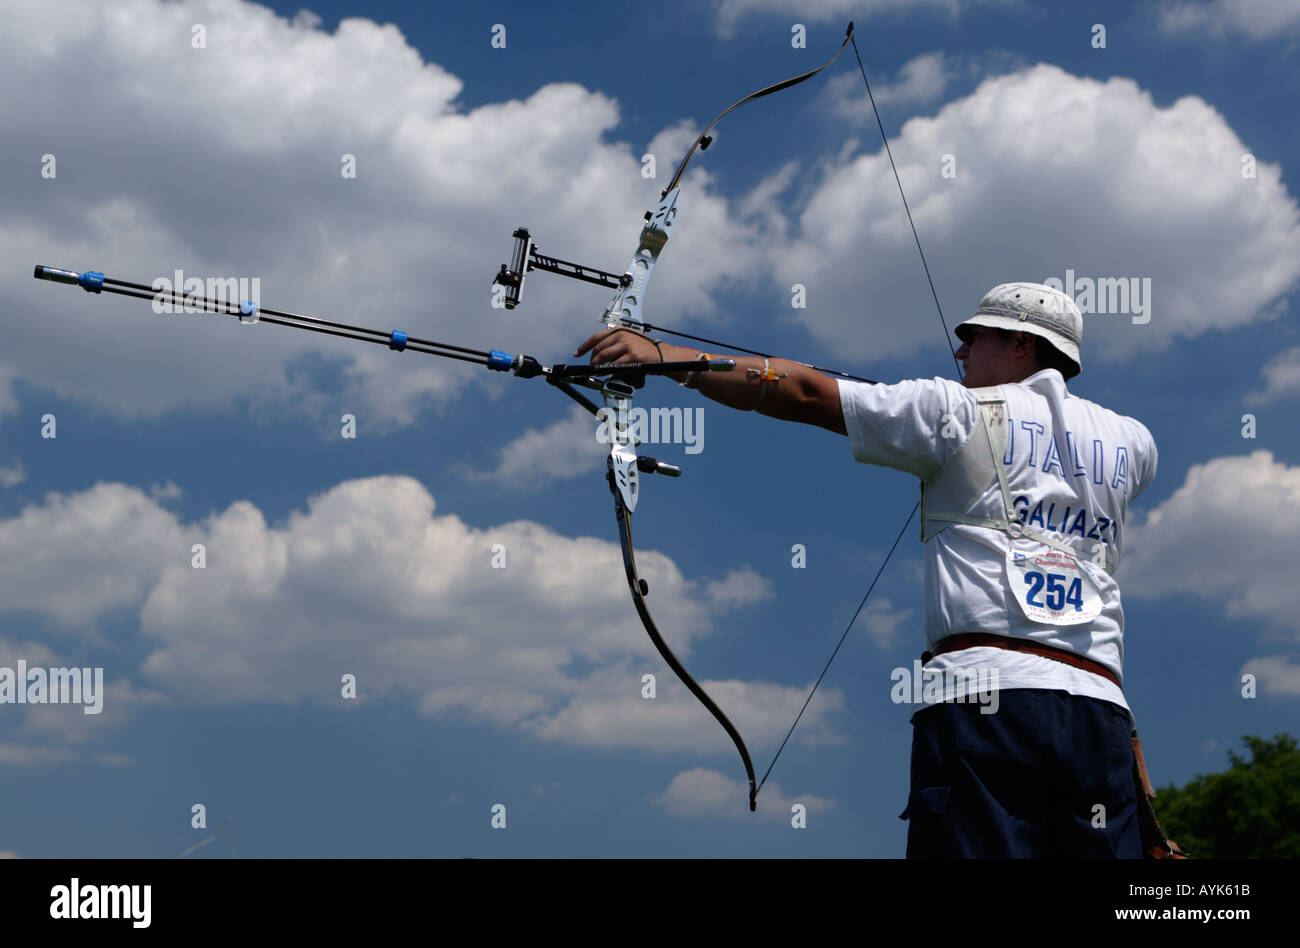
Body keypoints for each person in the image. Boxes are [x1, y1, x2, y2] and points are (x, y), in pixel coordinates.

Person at [575, 281, 1183, 858]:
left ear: (1022, 343)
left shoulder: (953, 410)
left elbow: (807, 393)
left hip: (985, 702)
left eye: (977, 336)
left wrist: (664, 357)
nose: (960, 348)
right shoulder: (1134, 443)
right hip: (1099, 719)